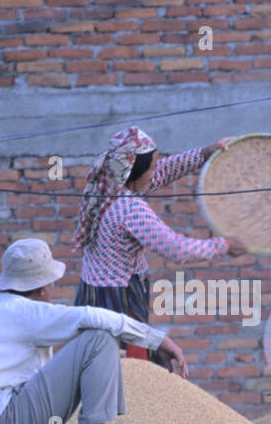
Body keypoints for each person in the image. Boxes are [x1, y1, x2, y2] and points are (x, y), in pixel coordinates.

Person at [0, 238, 187, 424]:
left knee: (95, 341)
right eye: (52, 284)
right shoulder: (21, 312)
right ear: (43, 289)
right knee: (100, 337)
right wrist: (158, 340)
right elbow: (93, 317)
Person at [71, 126, 248, 368]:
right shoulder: (129, 209)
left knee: (96, 364)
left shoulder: (105, 181)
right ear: (135, 170)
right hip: (117, 302)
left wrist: (205, 152)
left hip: (91, 294)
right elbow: (177, 249)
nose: (156, 171)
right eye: (152, 166)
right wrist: (224, 245)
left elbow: (161, 172)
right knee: (128, 372)